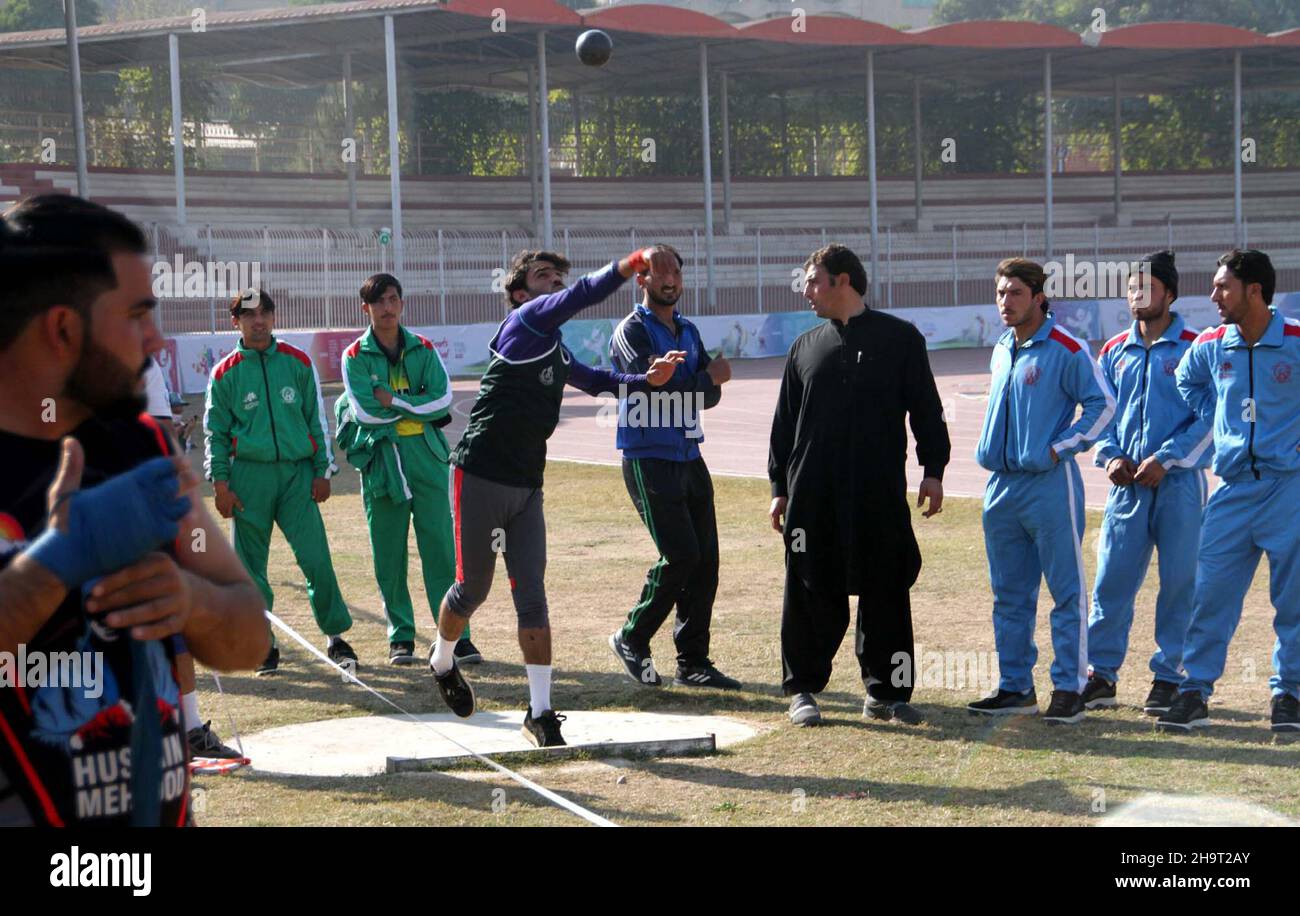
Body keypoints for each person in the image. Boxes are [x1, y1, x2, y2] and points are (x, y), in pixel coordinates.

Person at [0, 194, 267, 826]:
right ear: (63, 329)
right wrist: (61, 557)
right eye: (138, 314)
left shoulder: (139, 446)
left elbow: (250, 636)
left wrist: (189, 598)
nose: (155, 338)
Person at [430, 247, 683, 747]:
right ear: (521, 293)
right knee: (472, 591)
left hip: (528, 484)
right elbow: (583, 294)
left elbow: (596, 381)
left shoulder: (555, 348)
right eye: (543, 276)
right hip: (479, 474)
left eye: (556, 276)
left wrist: (645, 379)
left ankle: (541, 713)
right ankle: (441, 660)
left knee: (533, 599)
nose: (554, 283)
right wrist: (629, 264)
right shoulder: (526, 321)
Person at [768, 245, 950, 727]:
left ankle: (888, 693)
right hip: (813, 494)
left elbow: (926, 409)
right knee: (808, 589)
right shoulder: (804, 347)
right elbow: (784, 424)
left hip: (878, 490)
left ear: (842, 281)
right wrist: (778, 487)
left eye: (813, 280)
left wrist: (934, 469)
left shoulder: (901, 339)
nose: (806, 290)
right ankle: (802, 689)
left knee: (887, 587)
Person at [969, 258, 1115, 725]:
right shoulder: (1000, 348)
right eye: (999, 294)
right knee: (1008, 595)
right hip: (1000, 487)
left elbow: (1103, 404)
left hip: (1050, 486)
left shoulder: (1066, 347)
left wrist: (1060, 448)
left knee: (1066, 592)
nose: (1004, 302)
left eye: (1014, 293)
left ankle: (1069, 689)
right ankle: (1015, 687)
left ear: (1038, 296)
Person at [1161, 249, 1300, 733]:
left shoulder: (1297, 340)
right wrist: (1220, 424)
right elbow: (1186, 380)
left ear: (1255, 291)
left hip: (1289, 489)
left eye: (1223, 287)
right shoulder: (1213, 343)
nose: (1214, 296)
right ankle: (1195, 690)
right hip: (1233, 488)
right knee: (1210, 595)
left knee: (1295, 601)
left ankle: (1289, 696)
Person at [1083, 251, 1211, 715]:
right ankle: (1100, 674)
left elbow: (1211, 417)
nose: (1137, 295)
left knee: (1180, 582)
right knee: (1110, 582)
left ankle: (1168, 677)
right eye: (1132, 287)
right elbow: (1103, 411)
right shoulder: (1114, 350)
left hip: (1179, 486)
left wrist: (1168, 457)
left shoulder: (1198, 348)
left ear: (1170, 294)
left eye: (1147, 287)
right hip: (1126, 487)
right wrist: (1111, 454)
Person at [607, 243, 739, 690]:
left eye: (676, 274)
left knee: (705, 562)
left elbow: (707, 396)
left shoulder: (687, 330)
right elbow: (652, 388)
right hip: (649, 457)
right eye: (659, 273)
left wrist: (698, 383)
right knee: (681, 554)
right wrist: (704, 379)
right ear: (640, 280)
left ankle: (693, 661)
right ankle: (631, 635)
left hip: (689, 455)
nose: (669, 281)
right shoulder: (631, 331)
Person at [203, 288, 355, 675]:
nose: (259, 321)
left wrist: (323, 470)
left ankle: (336, 637)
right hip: (248, 478)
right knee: (250, 567)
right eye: (249, 315)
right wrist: (220, 484)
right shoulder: (224, 373)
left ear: (273, 317)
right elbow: (215, 434)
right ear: (234, 322)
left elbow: (316, 421)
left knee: (316, 558)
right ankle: (263, 646)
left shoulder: (298, 362)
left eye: (265, 313)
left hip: (296, 476)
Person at [337, 272, 479, 667]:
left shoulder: (425, 348)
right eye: (379, 301)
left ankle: (456, 638)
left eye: (393, 299)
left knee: (441, 550)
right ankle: (401, 638)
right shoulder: (353, 356)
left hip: (428, 459)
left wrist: (396, 402)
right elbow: (364, 413)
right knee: (389, 553)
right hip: (383, 460)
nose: (387, 308)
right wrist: (415, 404)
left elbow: (443, 403)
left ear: (402, 303)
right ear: (365, 308)